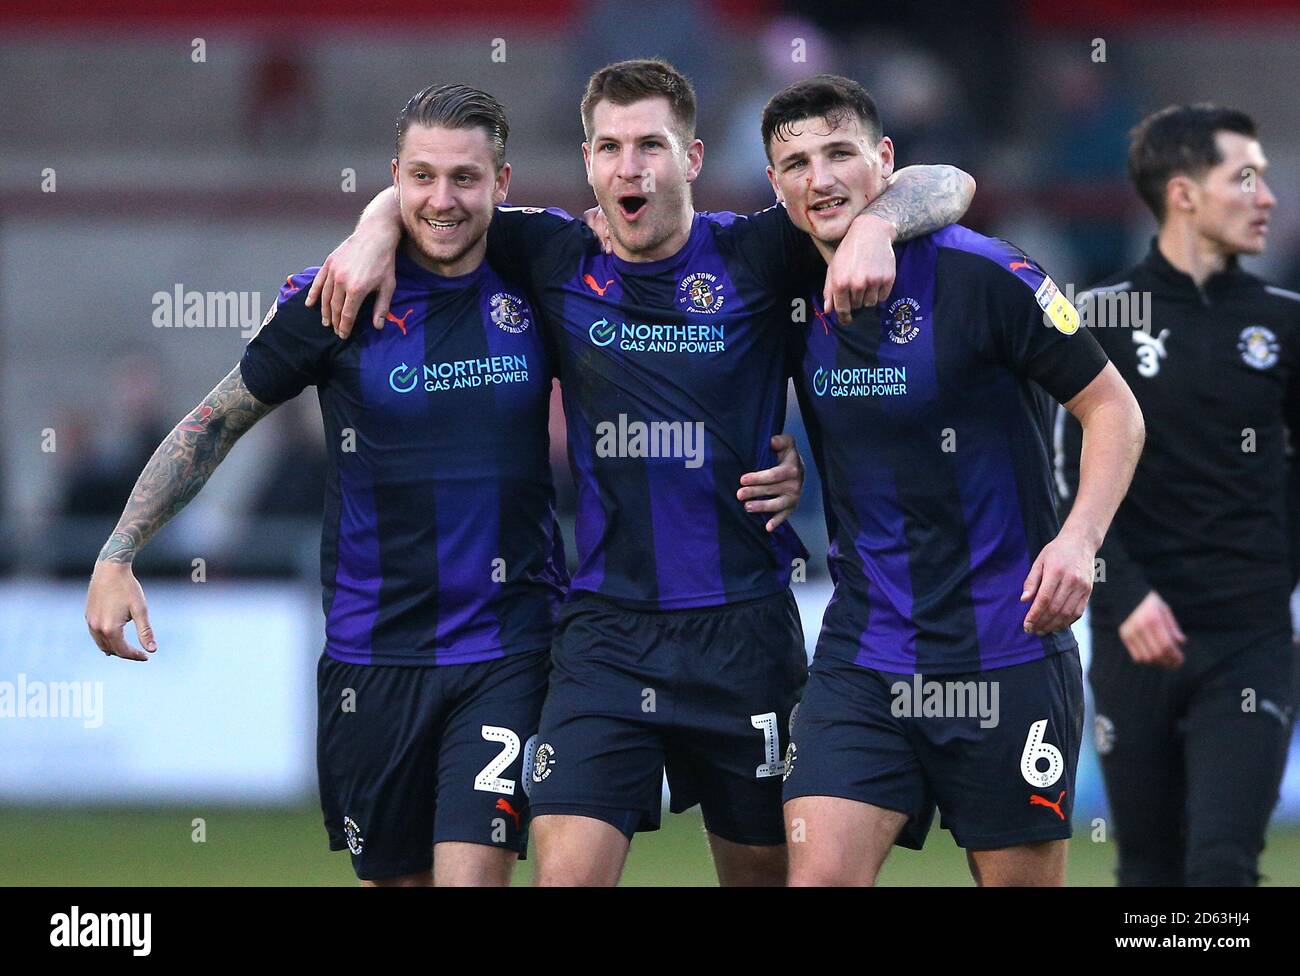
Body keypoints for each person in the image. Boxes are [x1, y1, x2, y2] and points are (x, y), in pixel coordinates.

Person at [309, 59, 976, 886]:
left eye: (652, 146)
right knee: (567, 875)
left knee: (766, 876)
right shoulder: (551, 253)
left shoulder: (760, 252)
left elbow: (948, 183)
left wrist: (876, 226)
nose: (632, 167)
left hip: (744, 631)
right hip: (606, 638)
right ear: (588, 161)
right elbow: (440, 199)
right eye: (612, 147)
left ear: (691, 159)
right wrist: (376, 221)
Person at [86, 85, 572, 887]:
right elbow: (216, 421)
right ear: (394, 176)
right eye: (420, 178)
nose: (441, 199)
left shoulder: (542, 272)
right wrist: (118, 552)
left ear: (504, 184)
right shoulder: (334, 298)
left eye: (465, 178)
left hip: (509, 645)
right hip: (370, 657)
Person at [768, 75, 1145, 885]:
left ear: (886, 160)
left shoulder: (987, 276)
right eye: (796, 162)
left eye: (840, 153)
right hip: (864, 654)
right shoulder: (782, 282)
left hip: (1007, 645)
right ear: (775, 184)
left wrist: (1080, 540)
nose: (820, 177)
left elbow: (1115, 412)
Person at [1059, 104, 1297, 886]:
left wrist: (1272, 585)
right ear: (1185, 193)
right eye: (1247, 178)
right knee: (1149, 870)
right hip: (1134, 639)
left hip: (1250, 639)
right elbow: (1067, 478)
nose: (1267, 197)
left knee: (1223, 862)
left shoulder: (1284, 326)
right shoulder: (1097, 318)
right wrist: (1123, 596)